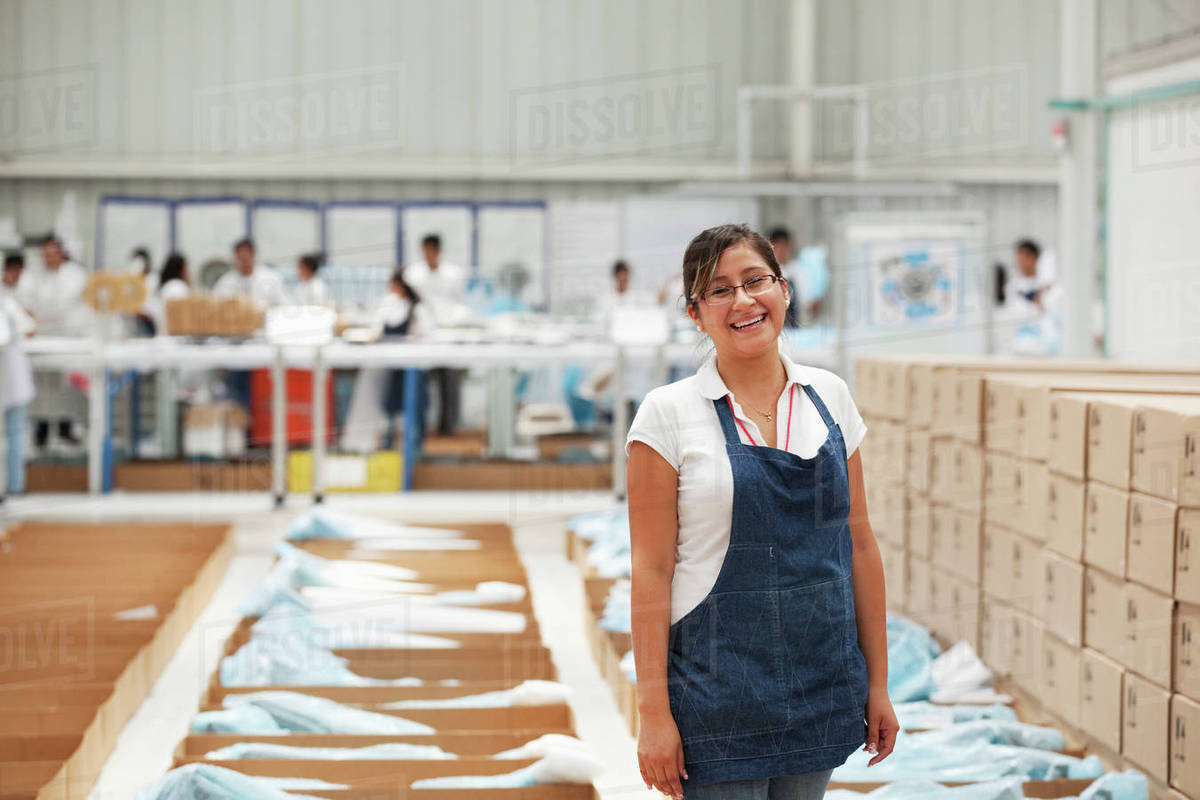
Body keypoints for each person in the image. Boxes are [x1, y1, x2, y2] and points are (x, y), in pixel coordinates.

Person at [626, 223, 895, 800]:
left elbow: (860, 545)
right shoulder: (666, 415)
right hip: (715, 689)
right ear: (696, 314)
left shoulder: (830, 398)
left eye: (756, 281)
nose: (743, 301)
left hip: (820, 677)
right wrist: (652, 712)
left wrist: (878, 683)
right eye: (719, 290)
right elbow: (650, 571)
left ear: (784, 290)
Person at [340, 268, 435, 454]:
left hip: (412, 368)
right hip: (391, 368)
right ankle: (389, 445)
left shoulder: (417, 309)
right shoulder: (388, 306)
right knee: (390, 407)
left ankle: (417, 447)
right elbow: (377, 328)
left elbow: (426, 335)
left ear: (400, 285)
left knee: (415, 407)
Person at [18, 236, 90, 453]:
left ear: (61, 253)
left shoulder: (76, 275)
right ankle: (41, 431)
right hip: (42, 341)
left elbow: (82, 303)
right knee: (42, 389)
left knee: (66, 388)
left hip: (69, 340)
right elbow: (28, 304)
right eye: (45, 255)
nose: (49, 258)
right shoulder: (34, 278)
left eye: (52, 253)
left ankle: (65, 428)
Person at [404, 234, 467, 436]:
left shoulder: (453, 274)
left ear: (438, 251)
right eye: (426, 251)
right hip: (422, 334)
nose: (429, 255)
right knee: (419, 381)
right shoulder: (413, 274)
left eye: (432, 250)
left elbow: (458, 303)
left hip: (448, 332)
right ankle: (419, 427)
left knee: (449, 381)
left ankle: (447, 426)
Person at [1, 253, 35, 497]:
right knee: (13, 434)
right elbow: (28, 327)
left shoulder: (8, 301)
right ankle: (12, 486)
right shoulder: (8, 301)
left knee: (13, 434)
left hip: (11, 377)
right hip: (10, 376)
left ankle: (12, 486)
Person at [770, 227, 830, 327]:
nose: (782, 250)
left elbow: (810, 303)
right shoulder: (767, 273)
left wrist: (815, 301)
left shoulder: (799, 271)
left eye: (785, 245)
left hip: (797, 329)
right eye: (778, 245)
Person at [212, 237, 289, 307]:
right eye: (240, 257)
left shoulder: (270, 278)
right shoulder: (226, 281)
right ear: (235, 257)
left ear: (253, 255)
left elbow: (283, 304)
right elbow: (215, 303)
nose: (244, 261)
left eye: (246, 256)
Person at [149, 252, 190, 334]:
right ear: (181, 270)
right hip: (176, 336)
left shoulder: (165, 287)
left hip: (163, 334)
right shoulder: (178, 287)